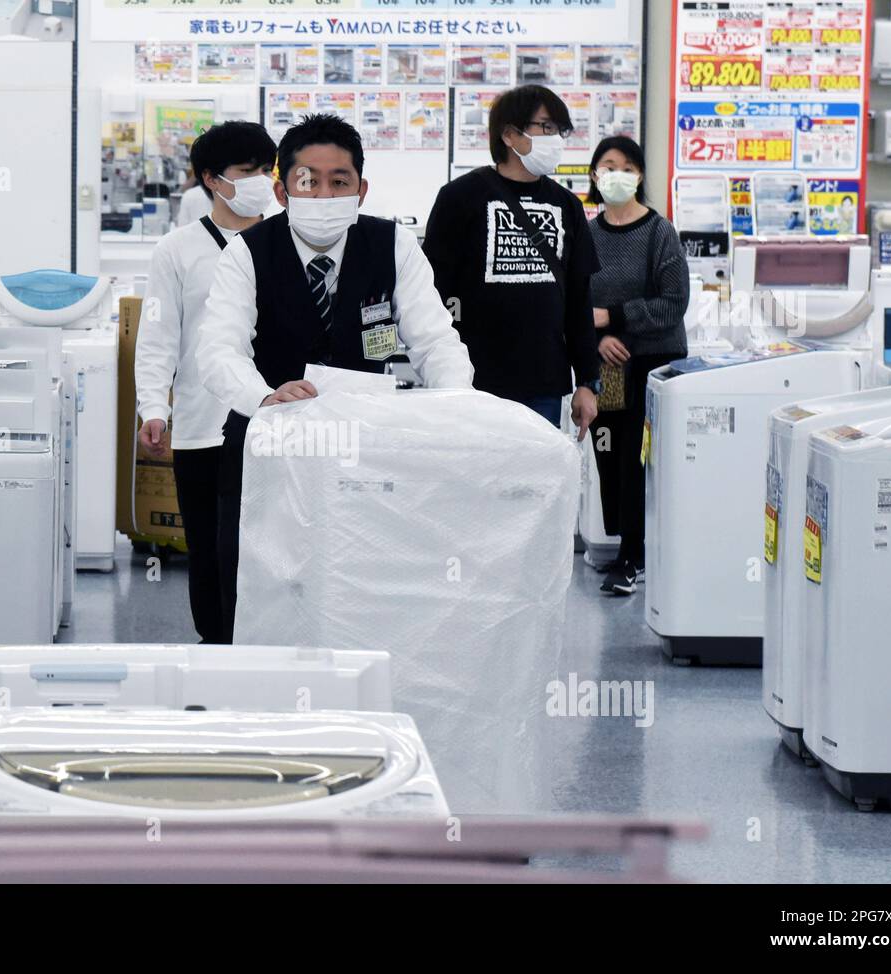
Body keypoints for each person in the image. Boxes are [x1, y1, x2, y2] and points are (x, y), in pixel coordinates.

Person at [198, 113, 474, 642]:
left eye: (339, 181)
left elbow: (437, 340)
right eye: (308, 181)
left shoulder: (394, 246)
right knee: (257, 580)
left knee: (357, 584)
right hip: (267, 444)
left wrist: (455, 407)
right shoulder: (247, 252)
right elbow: (218, 350)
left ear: (361, 189)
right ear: (282, 190)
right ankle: (251, 699)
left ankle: (349, 700)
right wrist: (264, 396)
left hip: (361, 448)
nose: (323, 194)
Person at [136, 120, 278, 642]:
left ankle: (265, 647)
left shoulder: (286, 240)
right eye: (248, 171)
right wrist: (154, 407)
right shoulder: (176, 251)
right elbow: (157, 336)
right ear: (212, 180)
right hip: (201, 425)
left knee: (269, 548)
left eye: (268, 169)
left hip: (276, 424)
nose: (262, 180)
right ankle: (215, 648)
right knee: (211, 548)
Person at [422, 85, 601, 436]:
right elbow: (431, 290)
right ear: (509, 134)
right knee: (475, 481)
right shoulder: (461, 197)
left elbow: (579, 299)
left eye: (559, 131)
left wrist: (587, 381)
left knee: (534, 485)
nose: (555, 139)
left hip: (544, 381)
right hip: (473, 380)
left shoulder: (567, 205)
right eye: (545, 128)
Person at [585, 135, 689, 596]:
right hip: (607, 365)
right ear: (594, 175)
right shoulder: (586, 236)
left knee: (642, 458)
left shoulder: (659, 232)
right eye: (608, 166)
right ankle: (622, 549)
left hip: (654, 363)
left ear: (641, 176)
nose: (617, 175)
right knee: (611, 457)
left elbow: (674, 303)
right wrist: (600, 336)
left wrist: (614, 318)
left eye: (627, 166)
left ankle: (636, 555)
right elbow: (575, 306)